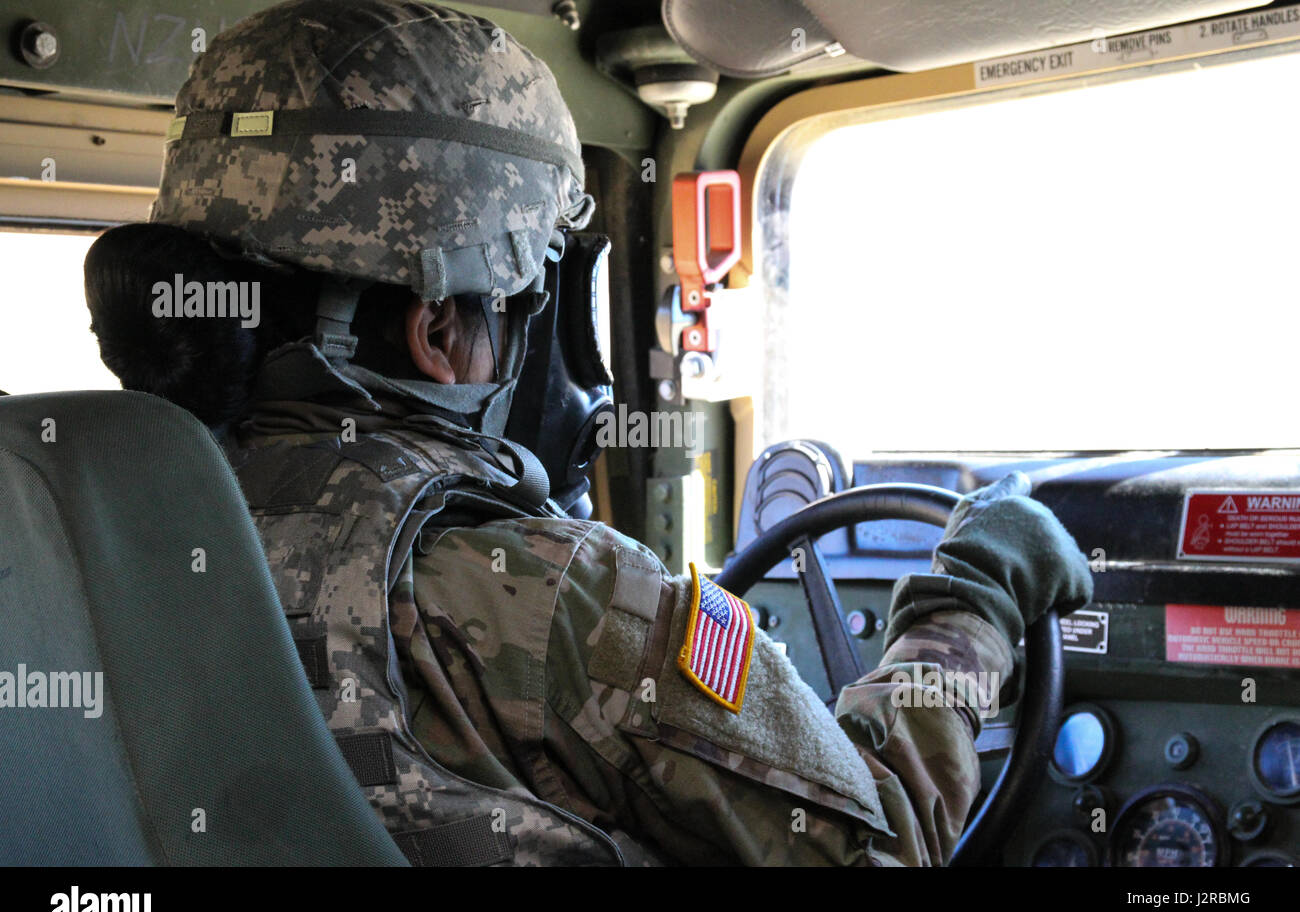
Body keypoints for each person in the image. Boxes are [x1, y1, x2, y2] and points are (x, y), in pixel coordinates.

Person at [86, 0, 1092, 866]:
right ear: (438, 329)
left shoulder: (93, 538)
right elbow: (879, 847)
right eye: (537, 304)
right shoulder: (550, 594)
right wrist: (964, 611)